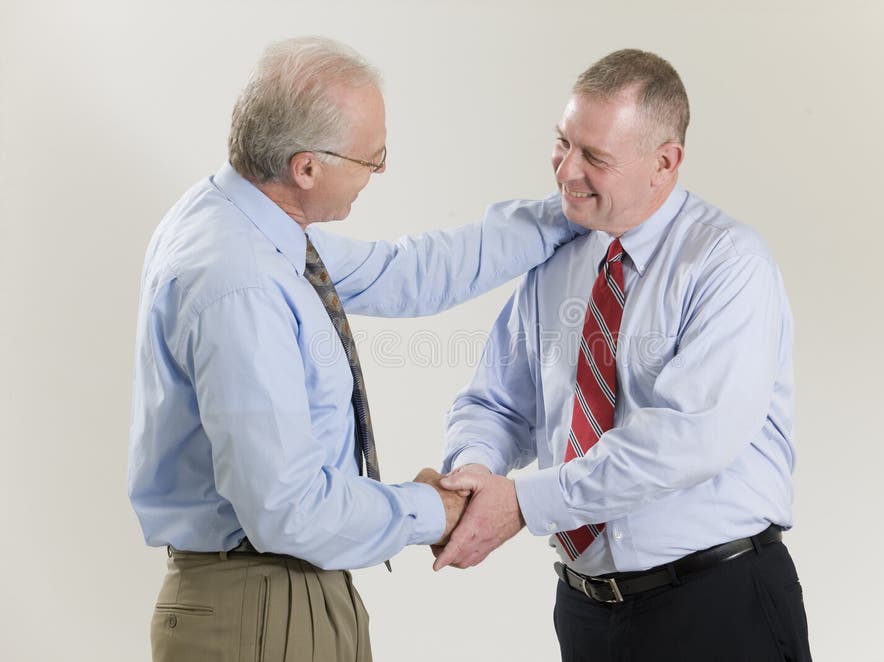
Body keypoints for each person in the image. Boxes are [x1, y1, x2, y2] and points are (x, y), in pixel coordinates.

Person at [128, 36, 577, 661]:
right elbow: (288, 511)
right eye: (373, 158)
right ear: (306, 167)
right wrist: (432, 509)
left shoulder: (241, 219)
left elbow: (403, 272)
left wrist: (564, 213)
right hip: (259, 601)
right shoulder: (242, 282)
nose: (380, 172)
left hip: (280, 594)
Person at [435, 49, 813, 661]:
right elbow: (497, 400)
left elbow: (685, 441)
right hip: (587, 612)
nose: (565, 172)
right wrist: (476, 472)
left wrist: (522, 504)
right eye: (563, 142)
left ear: (666, 163)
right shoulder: (561, 252)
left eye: (596, 158)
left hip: (716, 605)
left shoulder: (729, 265)